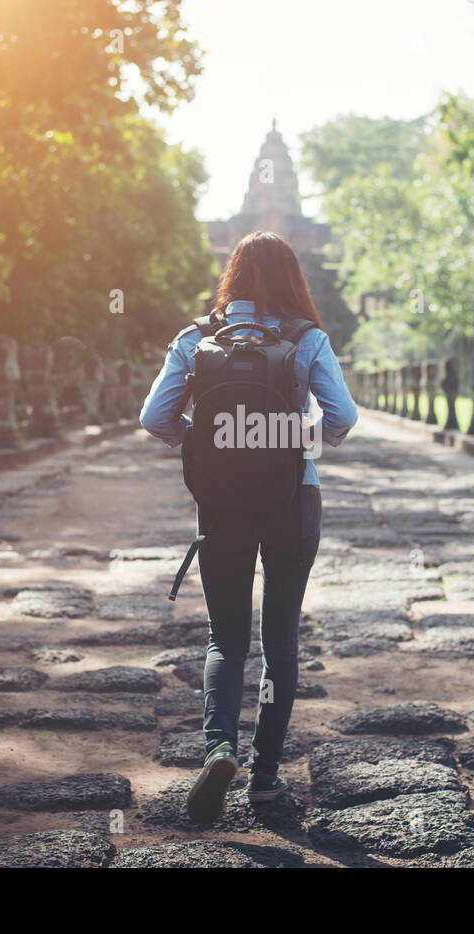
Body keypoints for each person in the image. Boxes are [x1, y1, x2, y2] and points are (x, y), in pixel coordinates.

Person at [139, 231, 358, 824]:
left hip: (222, 504)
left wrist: (208, 445)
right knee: (281, 641)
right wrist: (293, 443)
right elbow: (343, 417)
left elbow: (153, 417)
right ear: (293, 279)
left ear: (232, 276)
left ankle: (218, 750)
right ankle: (264, 780)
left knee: (225, 638)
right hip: (292, 498)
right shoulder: (306, 339)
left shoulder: (196, 338)